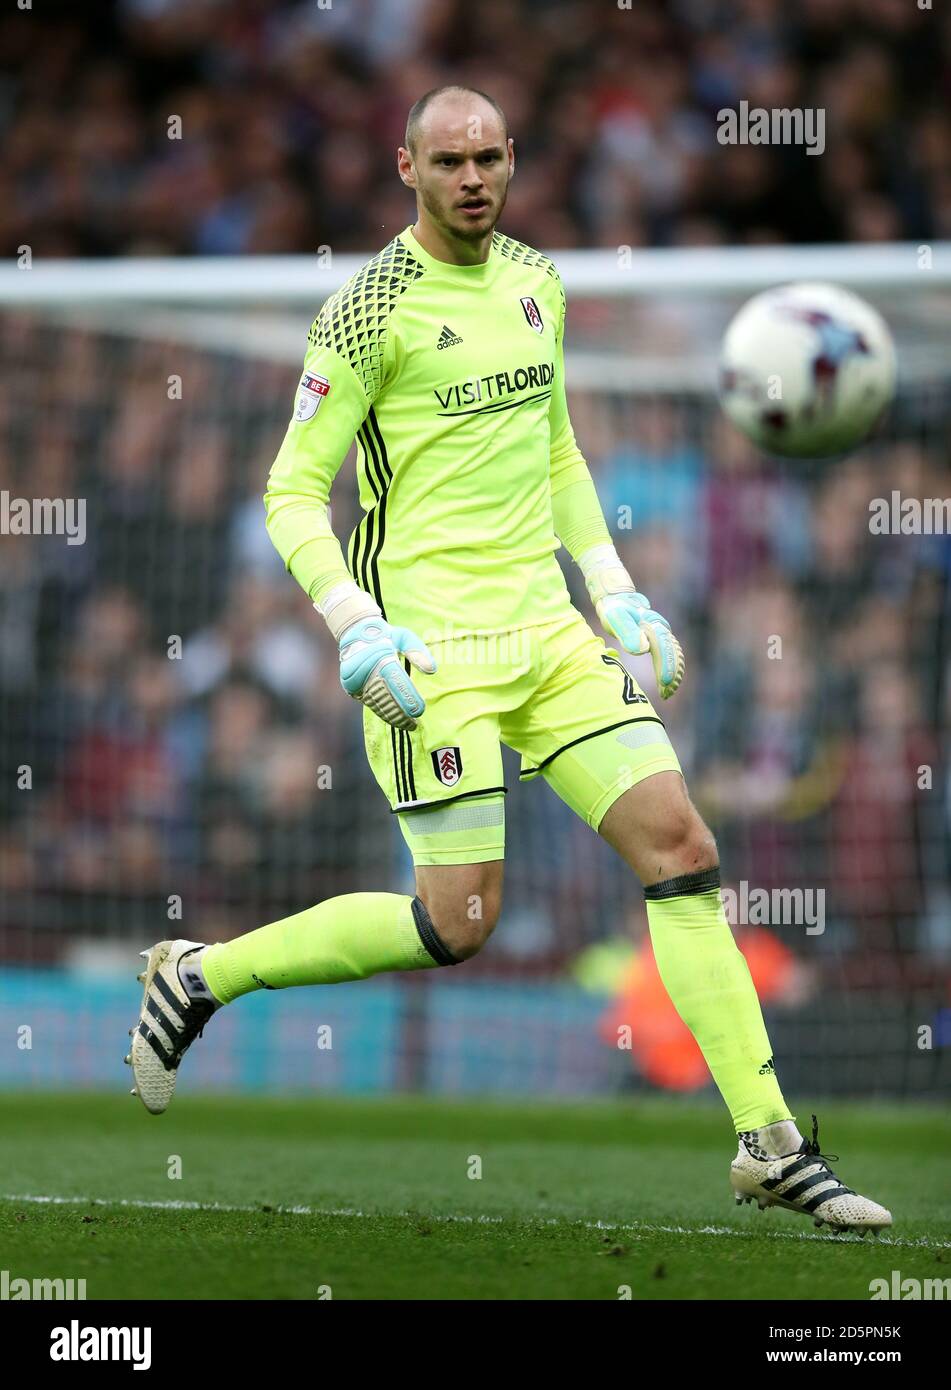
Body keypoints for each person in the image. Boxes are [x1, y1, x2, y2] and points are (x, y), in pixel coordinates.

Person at [127, 85, 889, 1235]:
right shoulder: (366, 309)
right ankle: (200, 977)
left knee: (682, 847)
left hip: (549, 633)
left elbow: (558, 447)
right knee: (457, 922)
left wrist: (619, 595)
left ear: (512, 160)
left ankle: (769, 1142)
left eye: (490, 157)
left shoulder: (539, 280)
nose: (474, 176)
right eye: (450, 160)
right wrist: (353, 624)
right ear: (407, 169)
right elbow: (290, 491)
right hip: (430, 654)